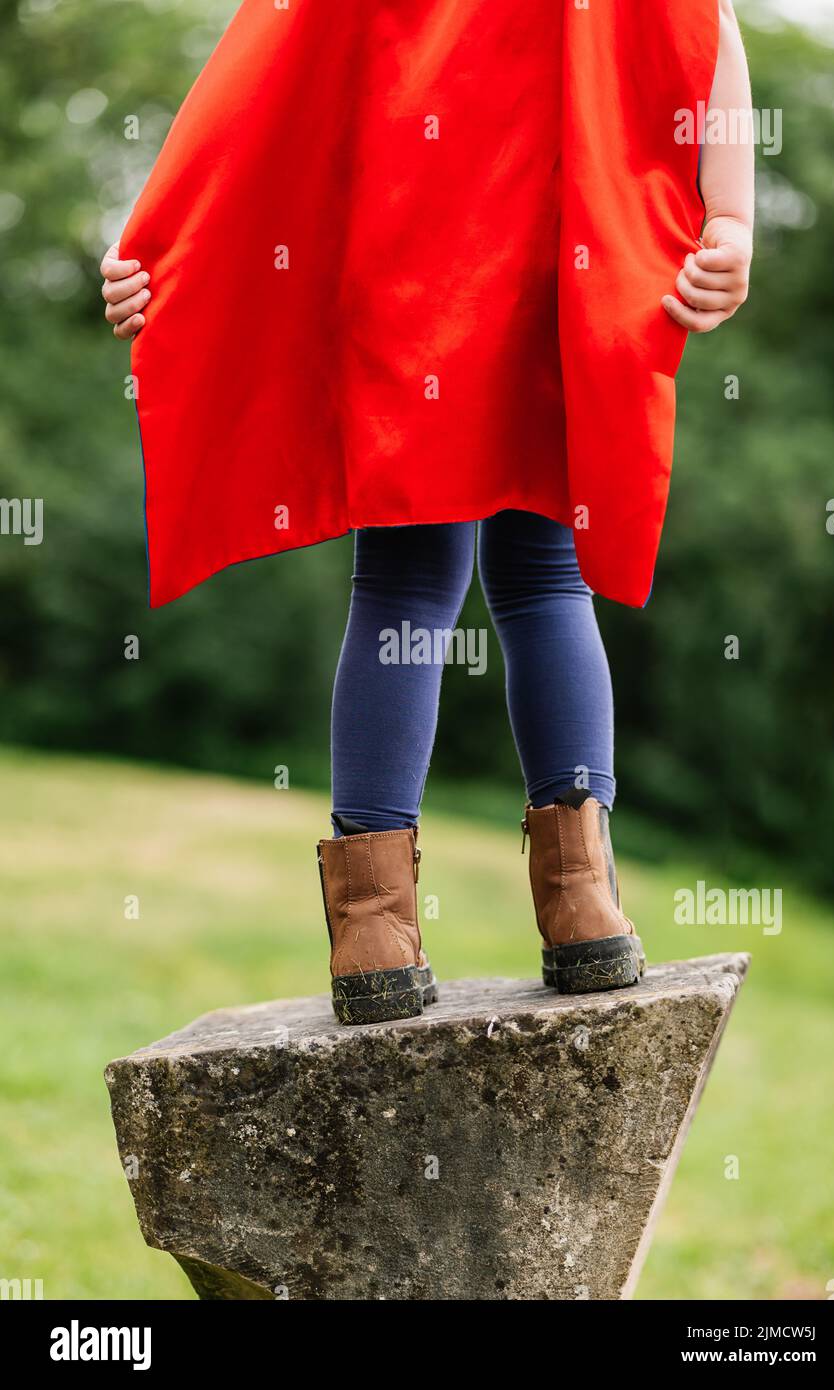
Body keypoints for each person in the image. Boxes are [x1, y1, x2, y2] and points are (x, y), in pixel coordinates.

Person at [101, 1, 753, 1025]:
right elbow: (700, 32)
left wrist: (165, 235)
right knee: (543, 572)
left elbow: (263, 74)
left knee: (402, 580)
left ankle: (374, 929)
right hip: (558, 254)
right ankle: (580, 904)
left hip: (414, 271)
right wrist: (728, 216)